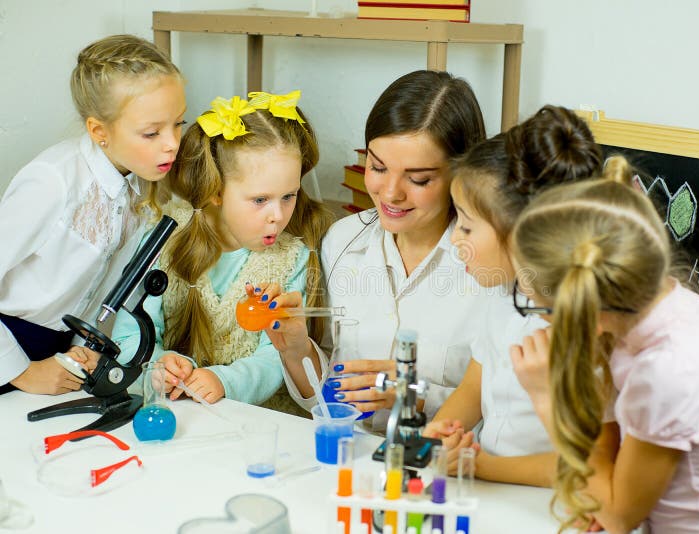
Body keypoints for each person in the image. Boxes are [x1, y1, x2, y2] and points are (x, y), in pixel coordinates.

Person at [508, 158, 699, 533]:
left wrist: (546, 399)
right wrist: (601, 494)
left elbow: (621, 517)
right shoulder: (660, 304)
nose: (540, 319)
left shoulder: (668, 369)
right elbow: (615, 470)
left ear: (583, 309)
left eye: (540, 306)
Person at [270, 70, 488, 426]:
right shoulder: (342, 241)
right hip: (346, 460)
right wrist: (297, 351)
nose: (390, 193)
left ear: (461, 174)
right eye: (378, 167)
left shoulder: (489, 270)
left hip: (440, 472)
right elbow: (329, 399)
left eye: (418, 179)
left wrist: (415, 395)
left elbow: (507, 412)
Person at [112, 91, 333, 411]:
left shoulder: (291, 259)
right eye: (260, 200)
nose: (278, 215)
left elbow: (275, 359)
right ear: (216, 192)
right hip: (176, 412)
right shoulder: (163, 239)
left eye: (289, 196)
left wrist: (223, 381)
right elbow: (129, 337)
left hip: (256, 422)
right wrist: (159, 369)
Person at [424, 105, 603, 486]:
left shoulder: (591, 329)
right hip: (488, 488)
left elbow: (587, 467)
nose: (455, 238)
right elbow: (475, 384)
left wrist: (480, 465)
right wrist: (437, 437)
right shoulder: (501, 294)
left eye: (468, 228)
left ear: (524, 234)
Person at [0, 34, 185, 395]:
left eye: (179, 123)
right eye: (152, 132)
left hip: (60, 354)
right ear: (99, 131)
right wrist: (19, 371)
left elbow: (102, 285)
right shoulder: (53, 182)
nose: (172, 143)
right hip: (10, 348)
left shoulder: (138, 182)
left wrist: (83, 347)